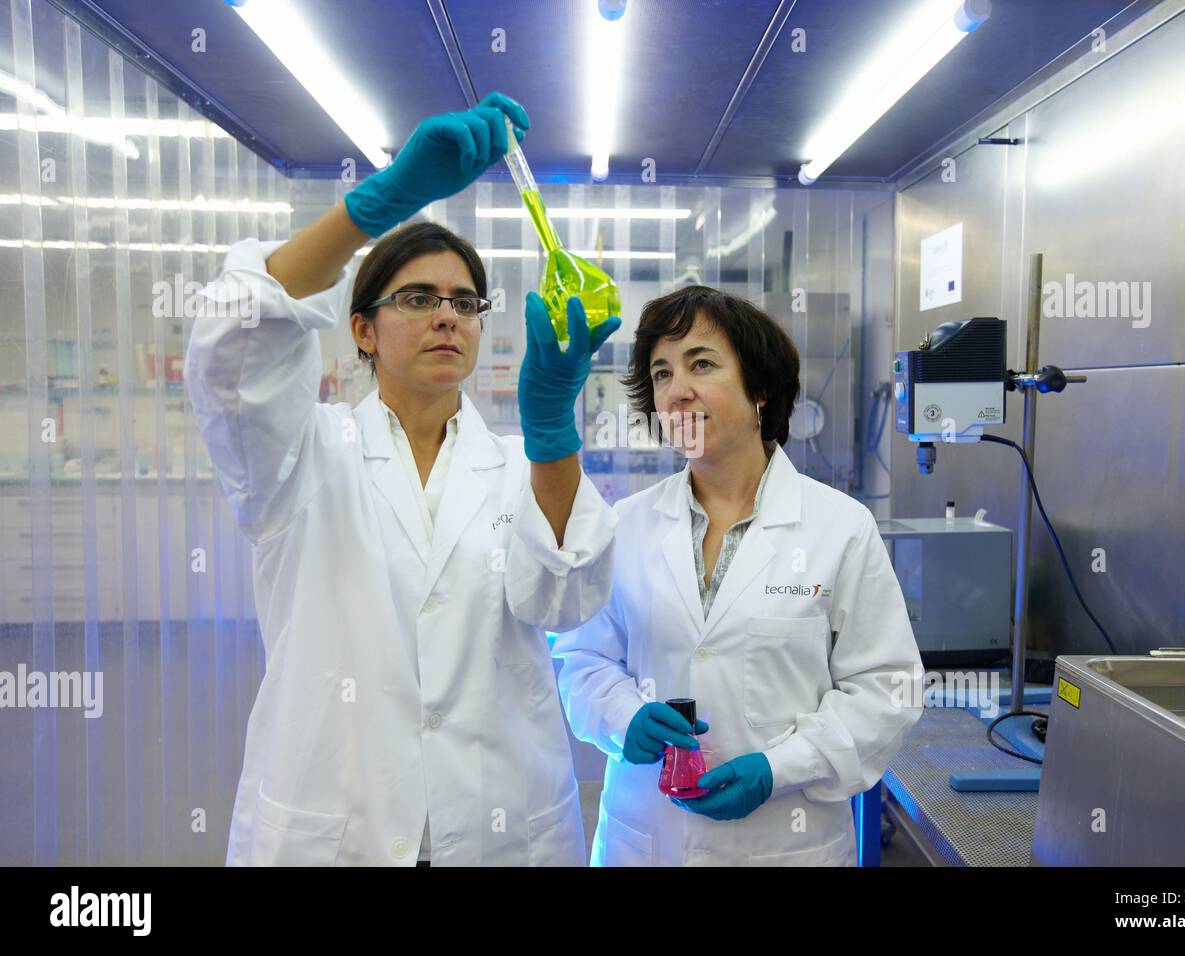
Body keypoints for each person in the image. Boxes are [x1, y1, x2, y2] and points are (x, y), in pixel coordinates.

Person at [185, 93, 621, 865]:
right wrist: (375, 204)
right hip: (336, 822)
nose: (446, 317)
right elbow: (231, 340)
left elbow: (564, 598)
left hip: (499, 823)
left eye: (464, 302)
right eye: (416, 299)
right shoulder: (297, 456)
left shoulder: (522, 464)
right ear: (362, 329)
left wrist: (555, 430)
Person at [553, 286, 923, 866]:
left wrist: (778, 768)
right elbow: (582, 663)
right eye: (661, 372)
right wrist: (625, 717)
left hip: (784, 842)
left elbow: (885, 691)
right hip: (648, 841)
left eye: (701, 363)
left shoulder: (840, 528)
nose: (677, 390)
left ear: (760, 389)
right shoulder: (624, 525)